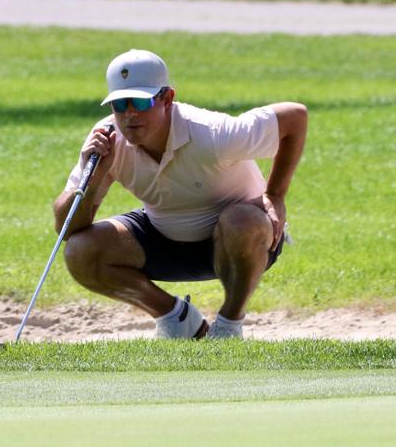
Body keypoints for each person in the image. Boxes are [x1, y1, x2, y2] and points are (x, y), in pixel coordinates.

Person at [56, 49, 307, 339]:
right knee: (80, 250)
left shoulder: (213, 133)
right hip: (165, 239)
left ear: (167, 99)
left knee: (241, 221)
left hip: (241, 242)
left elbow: (295, 117)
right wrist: (91, 180)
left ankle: (229, 324)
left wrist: (275, 194)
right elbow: (66, 228)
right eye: (119, 104)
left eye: (141, 101)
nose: (130, 113)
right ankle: (177, 320)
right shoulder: (106, 140)